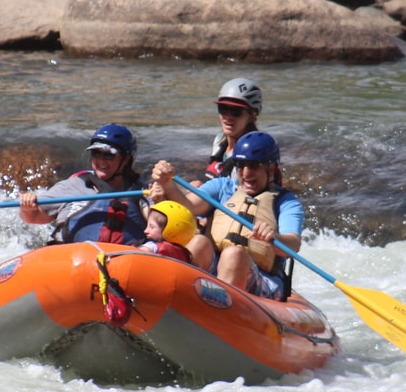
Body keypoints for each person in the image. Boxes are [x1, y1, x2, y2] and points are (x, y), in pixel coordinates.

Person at [149, 131, 302, 300]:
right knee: (199, 242)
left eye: (253, 166)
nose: (245, 173)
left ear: (271, 168)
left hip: (263, 279)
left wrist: (274, 237)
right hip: (217, 266)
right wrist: (167, 184)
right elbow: (189, 206)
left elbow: (293, 244)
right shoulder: (223, 186)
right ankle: (177, 299)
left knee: (233, 255)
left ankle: (218, 311)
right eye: (241, 165)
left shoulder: (286, 201)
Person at [19, 123, 149, 245]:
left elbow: (164, 225)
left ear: (126, 160)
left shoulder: (143, 192)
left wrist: (166, 186)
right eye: (96, 153)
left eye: (109, 155)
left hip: (125, 260)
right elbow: (34, 217)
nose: (101, 160)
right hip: (73, 259)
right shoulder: (72, 186)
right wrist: (27, 208)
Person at [203, 77, 263, 181]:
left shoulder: (253, 153)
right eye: (223, 109)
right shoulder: (219, 140)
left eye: (236, 111)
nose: (228, 117)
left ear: (252, 116)